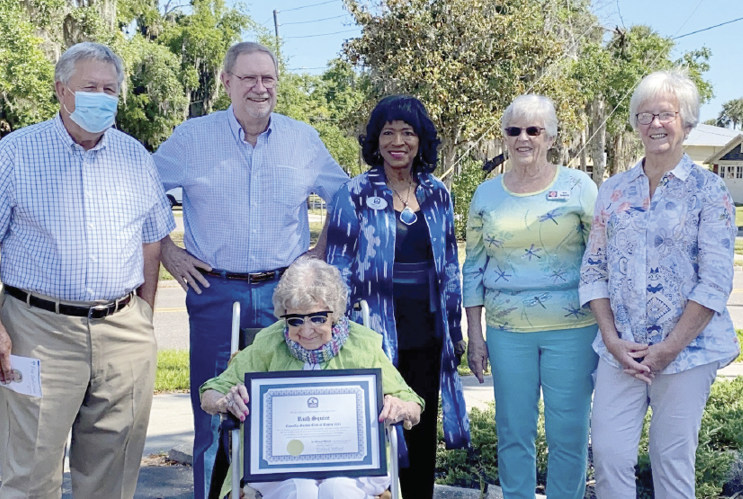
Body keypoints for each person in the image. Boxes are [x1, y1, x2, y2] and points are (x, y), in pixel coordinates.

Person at [0, 42, 175, 498]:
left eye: (109, 88)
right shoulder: (17, 152)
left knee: (113, 476)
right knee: (31, 475)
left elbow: (152, 241)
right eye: (90, 86)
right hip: (38, 330)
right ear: (61, 90)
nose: (101, 96)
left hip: (123, 330)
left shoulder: (135, 157)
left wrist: (145, 316)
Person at [152, 41, 350, 497]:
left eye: (268, 79)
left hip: (287, 297)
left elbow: (346, 201)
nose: (260, 88)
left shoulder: (303, 140)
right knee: (214, 411)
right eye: (248, 78)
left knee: (285, 410)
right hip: (215, 292)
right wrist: (168, 250)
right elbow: (144, 192)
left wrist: (318, 252)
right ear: (226, 82)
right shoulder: (191, 138)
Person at [579, 69, 740, 499]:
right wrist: (612, 341)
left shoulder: (710, 191)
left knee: (672, 462)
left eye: (666, 114)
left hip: (687, 354)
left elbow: (715, 282)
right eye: (644, 115)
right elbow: (594, 270)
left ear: (686, 123)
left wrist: (668, 349)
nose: (654, 124)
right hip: (622, 354)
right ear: (635, 124)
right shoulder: (612, 190)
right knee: (610, 456)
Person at [325, 94, 470, 499]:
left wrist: (454, 331)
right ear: (376, 140)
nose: (398, 141)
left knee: (419, 433)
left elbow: (450, 269)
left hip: (427, 333)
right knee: (373, 432)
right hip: (372, 334)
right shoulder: (353, 193)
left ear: (421, 140)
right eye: (388, 132)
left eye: (407, 132)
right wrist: (339, 335)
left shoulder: (437, 193)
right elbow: (337, 272)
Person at [462, 94, 599, 499]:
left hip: (572, 330)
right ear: (504, 137)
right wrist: (475, 333)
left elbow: (603, 260)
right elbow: (473, 267)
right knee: (513, 431)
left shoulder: (579, 187)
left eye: (534, 130)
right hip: (507, 331)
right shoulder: (485, 195)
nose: (524, 138)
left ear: (551, 137)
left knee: (569, 433)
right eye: (514, 130)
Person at [200, 257, 423, 499]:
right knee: (300, 490)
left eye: (318, 318)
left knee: (338, 490)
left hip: (352, 467)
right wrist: (226, 401)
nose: (306, 331)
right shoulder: (268, 343)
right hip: (282, 466)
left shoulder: (362, 346)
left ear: (335, 313)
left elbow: (412, 404)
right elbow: (210, 392)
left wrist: (398, 407)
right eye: (295, 320)